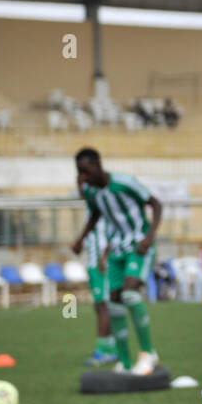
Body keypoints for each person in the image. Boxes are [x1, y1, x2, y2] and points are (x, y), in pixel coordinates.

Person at [71, 149, 163, 375]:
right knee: (114, 304)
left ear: (98, 164)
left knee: (130, 293)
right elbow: (95, 215)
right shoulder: (94, 192)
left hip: (138, 246)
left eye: (85, 171)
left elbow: (156, 204)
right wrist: (81, 240)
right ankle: (125, 361)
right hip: (116, 250)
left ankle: (148, 353)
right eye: (79, 172)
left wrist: (149, 237)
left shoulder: (124, 182)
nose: (84, 176)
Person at [75, 173, 117, 366]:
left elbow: (115, 230)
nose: (79, 187)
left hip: (101, 263)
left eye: (82, 183)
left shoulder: (103, 204)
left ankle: (103, 351)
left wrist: (105, 256)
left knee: (103, 306)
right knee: (99, 306)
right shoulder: (91, 206)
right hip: (93, 262)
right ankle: (110, 347)